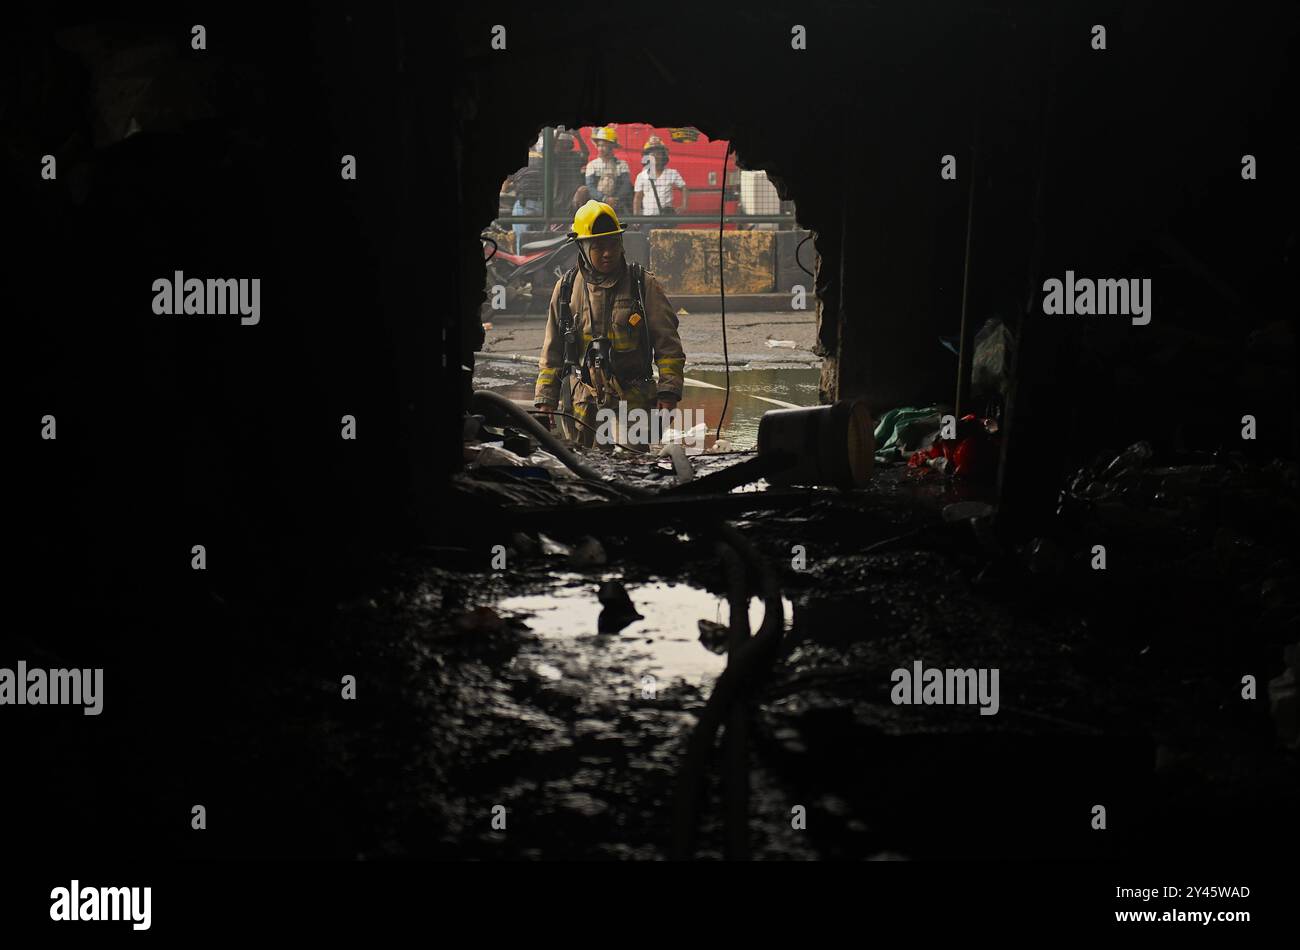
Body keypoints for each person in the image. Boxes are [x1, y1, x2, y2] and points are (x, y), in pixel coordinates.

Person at [534, 200, 685, 448]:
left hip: (634, 401)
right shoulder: (566, 289)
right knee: (585, 468)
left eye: (613, 243)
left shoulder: (642, 284)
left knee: (635, 469)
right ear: (582, 247)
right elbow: (552, 352)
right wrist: (545, 399)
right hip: (583, 405)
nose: (608, 252)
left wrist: (668, 393)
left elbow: (668, 346)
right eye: (599, 246)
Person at [633, 136, 688, 226]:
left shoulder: (672, 173)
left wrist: (684, 206)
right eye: (652, 154)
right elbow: (637, 198)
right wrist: (636, 219)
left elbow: (684, 188)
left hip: (666, 220)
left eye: (658, 153)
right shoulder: (642, 176)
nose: (655, 156)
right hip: (648, 220)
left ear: (663, 156)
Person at [583, 127, 633, 219]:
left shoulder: (621, 164)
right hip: (597, 206)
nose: (600, 148)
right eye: (599, 145)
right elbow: (590, 187)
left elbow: (626, 185)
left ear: (611, 146)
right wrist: (604, 199)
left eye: (604, 145)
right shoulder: (592, 165)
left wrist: (615, 199)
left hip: (618, 207)